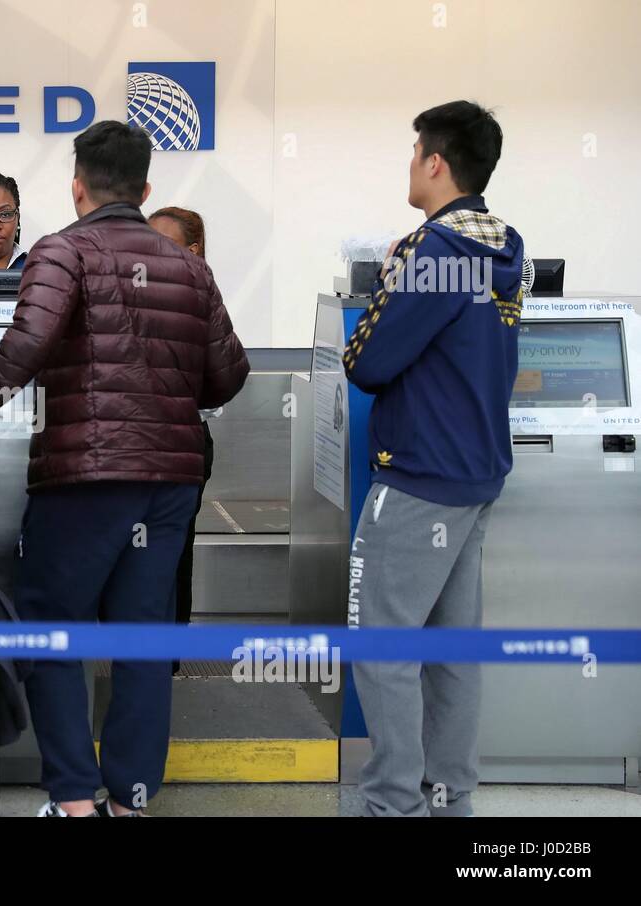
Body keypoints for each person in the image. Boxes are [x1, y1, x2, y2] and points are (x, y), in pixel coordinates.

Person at [0, 121, 249, 817]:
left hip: (84, 477)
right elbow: (228, 375)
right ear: (145, 189)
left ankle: (75, 801)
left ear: (77, 186)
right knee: (143, 634)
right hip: (170, 481)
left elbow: (28, 345)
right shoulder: (188, 265)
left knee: (53, 626)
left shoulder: (63, 250)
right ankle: (131, 802)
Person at [342, 100, 525, 817]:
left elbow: (368, 360)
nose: (410, 164)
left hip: (419, 474)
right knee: (452, 651)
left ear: (436, 163)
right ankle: (449, 802)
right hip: (477, 474)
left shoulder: (435, 250)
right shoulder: (505, 245)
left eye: (414, 151)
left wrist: (392, 276)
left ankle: (394, 805)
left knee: (380, 644)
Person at [147, 206, 215, 661]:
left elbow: (221, 379)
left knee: (172, 556)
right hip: (138, 445)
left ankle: (165, 656)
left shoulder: (201, 301)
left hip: (181, 444)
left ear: (192, 252)